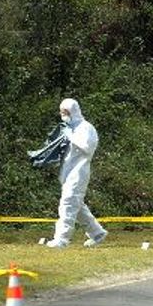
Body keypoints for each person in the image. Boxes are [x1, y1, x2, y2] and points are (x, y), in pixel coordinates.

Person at [45, 98, 108, 249]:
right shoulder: (68, 129)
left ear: (73, 111)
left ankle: (61, 239)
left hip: (79, 173)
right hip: (67, 173)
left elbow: (88, 148)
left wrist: (71, 137)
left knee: (67, 204)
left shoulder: (86, 128)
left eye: (65, 112)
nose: (63, 115)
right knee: (77, 206)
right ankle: (97, 233)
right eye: (61, 112)